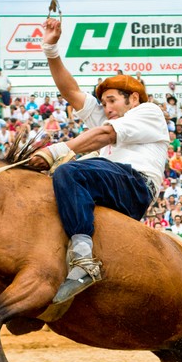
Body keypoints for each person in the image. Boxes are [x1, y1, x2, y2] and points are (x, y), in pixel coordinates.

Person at [30, 17, 168, 304]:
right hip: (111, 182)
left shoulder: (148, 112)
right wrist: (50, 48)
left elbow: (105, 134)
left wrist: (56, 150)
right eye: (103, 103)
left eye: (112, 100)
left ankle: (82, 261)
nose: (106, 108)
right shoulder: (110, 114)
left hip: (135, 183)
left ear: (133, 98)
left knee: (69, 172)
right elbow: (70, 92)